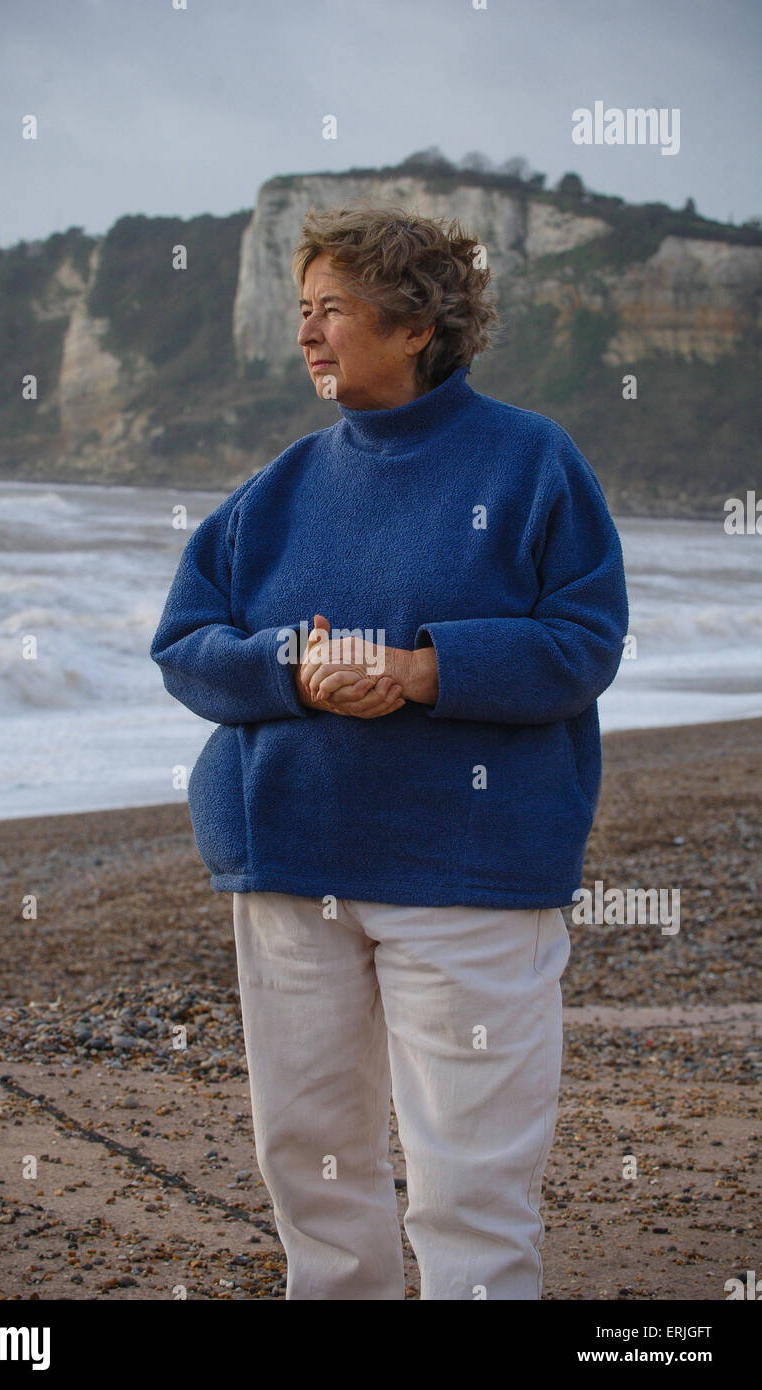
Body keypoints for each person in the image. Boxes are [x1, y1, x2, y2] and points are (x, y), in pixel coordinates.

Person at [150, 205, 629, 1300]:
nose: (308, 336)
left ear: (417, 324)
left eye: (332, 311)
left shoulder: (530, 461)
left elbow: (583, 643)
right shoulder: (276, 488)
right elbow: (184, 647)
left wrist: (421, 670)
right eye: (301, 312)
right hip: (288, 867)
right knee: (312, 1173)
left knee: (470, 1184)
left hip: (469, 876)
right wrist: (290, 666)